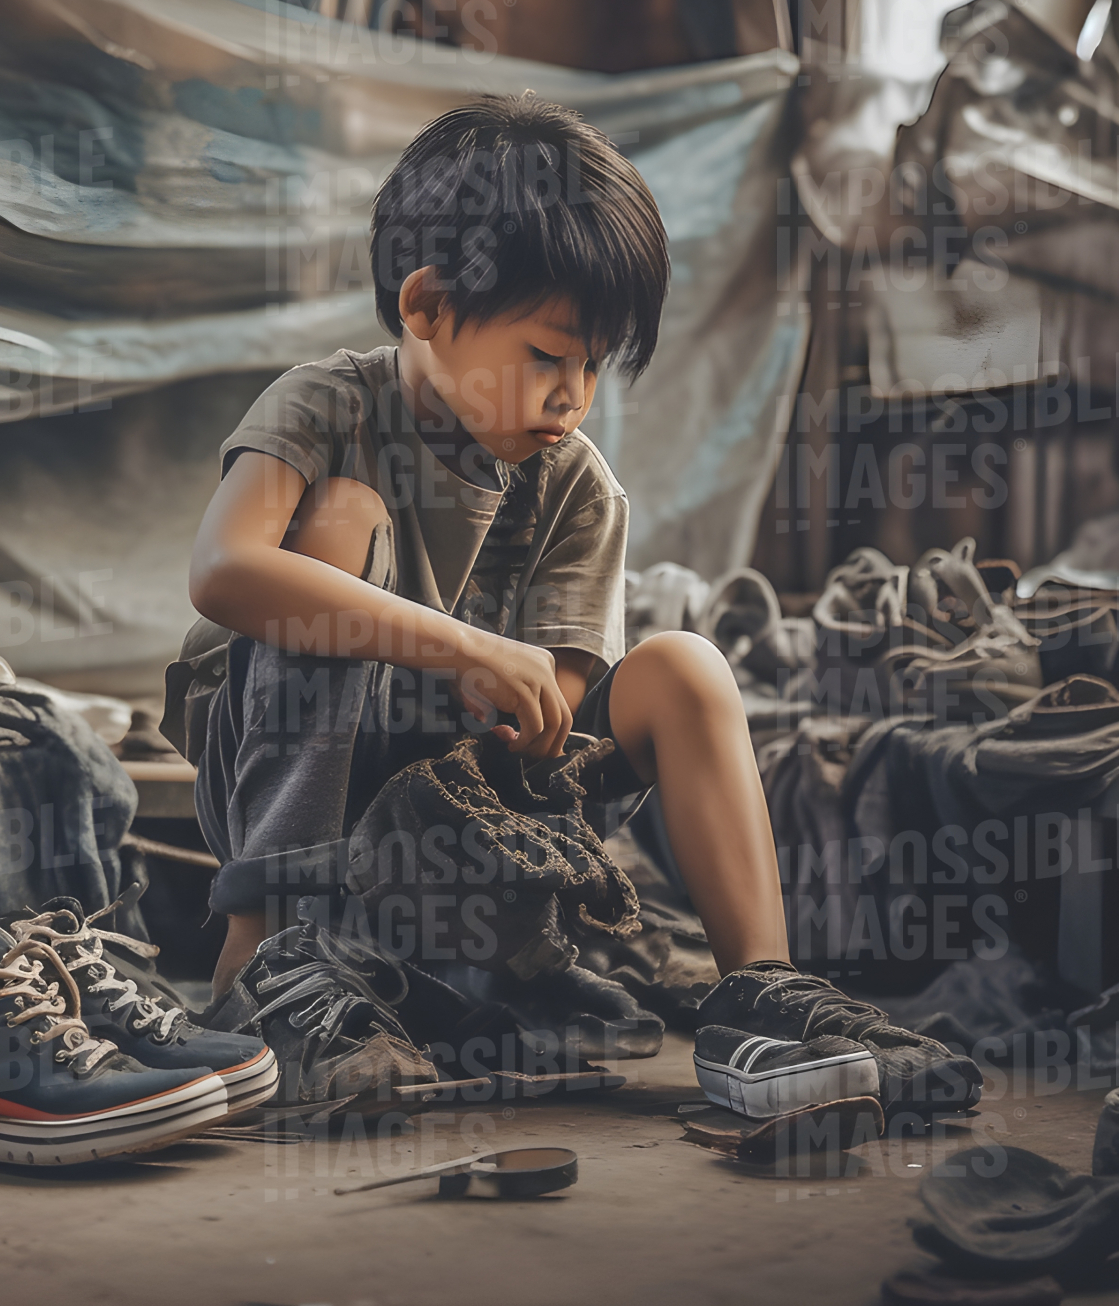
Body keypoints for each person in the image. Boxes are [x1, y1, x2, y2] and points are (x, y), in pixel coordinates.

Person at [179, 93, 980, 1117]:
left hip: (458, 812)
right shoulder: (327, 405)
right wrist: (463, 649)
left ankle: (763, 996)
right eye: (548, 356)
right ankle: (266, 964)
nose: (576, 395)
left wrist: (514, 704)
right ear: (424, 306)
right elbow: (223, 572)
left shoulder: (577, 487)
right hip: (284, 779)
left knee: (687, 665)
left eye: (596, 365)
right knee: (339, 525)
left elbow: (545, 717)